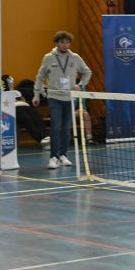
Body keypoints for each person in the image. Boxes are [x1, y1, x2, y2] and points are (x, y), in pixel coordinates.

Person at [33, 31, 92, 169]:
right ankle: (53, 157)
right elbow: (40, 76)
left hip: (69, 97)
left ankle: (63, 155)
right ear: (57, 43)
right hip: (54, 96)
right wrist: (37, 94)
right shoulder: (48, 57)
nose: (65, 45)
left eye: (67, 42)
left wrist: (81, 85)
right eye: (62, 42)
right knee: (56, 127)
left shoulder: (75, 57)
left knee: (66, 128)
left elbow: (87, 72)